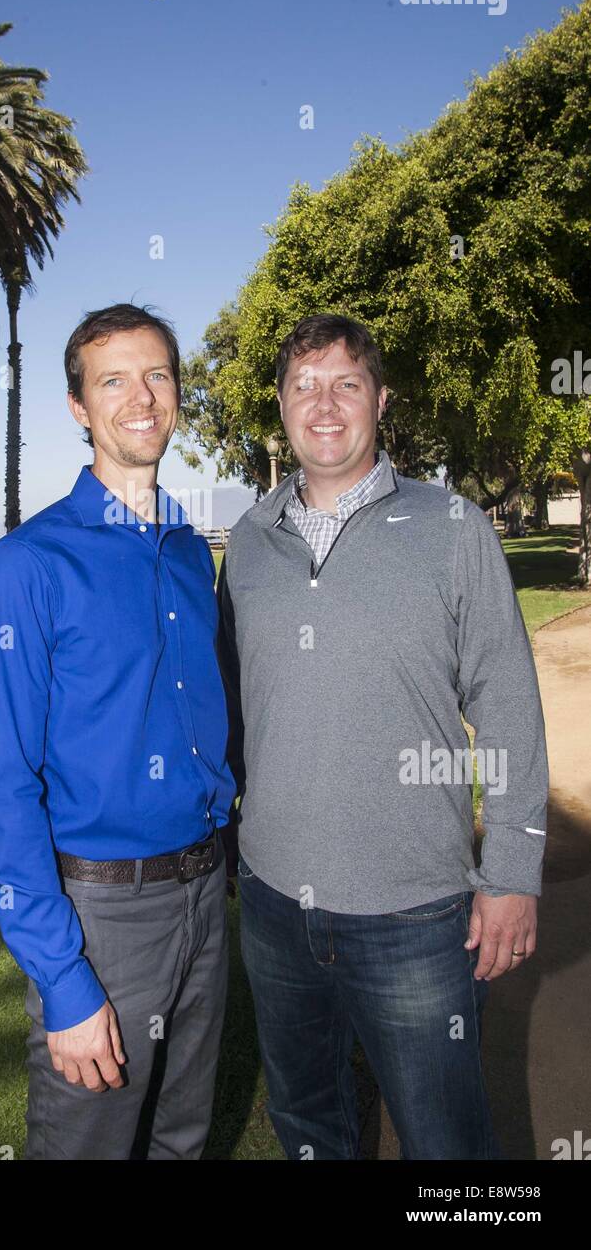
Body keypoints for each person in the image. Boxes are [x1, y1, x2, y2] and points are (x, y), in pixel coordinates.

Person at [217, 312, 549, 1161]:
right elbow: (232, 708)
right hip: (275, 904)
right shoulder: (250, 543)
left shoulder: (452, 529)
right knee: (309, 1130)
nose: (324, 405)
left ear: (381, 401)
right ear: (282, 407)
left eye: (346, 385)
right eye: (304, 387)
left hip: (418, 915)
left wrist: (510, 870)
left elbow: (506, 702)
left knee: (447, 1143)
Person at [0, 303, 236, 1160]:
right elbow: (6, 790)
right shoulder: (27, 567)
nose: (140, 397)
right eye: (112, 380)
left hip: (206, 897)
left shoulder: (192, 553)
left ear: (177, 395)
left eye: (157, 374)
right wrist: (62, 978)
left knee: (180, 1142)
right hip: (103, 917)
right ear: (80, 410)